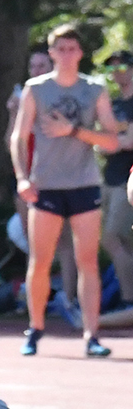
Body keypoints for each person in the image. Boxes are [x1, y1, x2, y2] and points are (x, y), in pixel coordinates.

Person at [12, 24, 122, 358]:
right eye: (60, 49)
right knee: (41, 260)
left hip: (83, 183)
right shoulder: (35, 89)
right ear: (51, 53)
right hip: (45, 184)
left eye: (72, 48)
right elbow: (18, 136)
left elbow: (112, 140)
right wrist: (22, 177)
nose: (67, 54)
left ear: (80, 53)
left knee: (87, 260)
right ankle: (35, 328)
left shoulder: (95, 89)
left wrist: (72, 130)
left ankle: (91, 333)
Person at [98, 51, 133, 301]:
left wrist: (113, 142)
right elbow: (101, 140)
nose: (117, 72)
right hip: (109, 177)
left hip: (127, 180)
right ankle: (124, 297)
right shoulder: (115, 104)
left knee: (112, 237)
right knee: (121, 241)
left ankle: (128, 299)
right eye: (112, 69)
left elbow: (129, 141)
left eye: (121, 66)